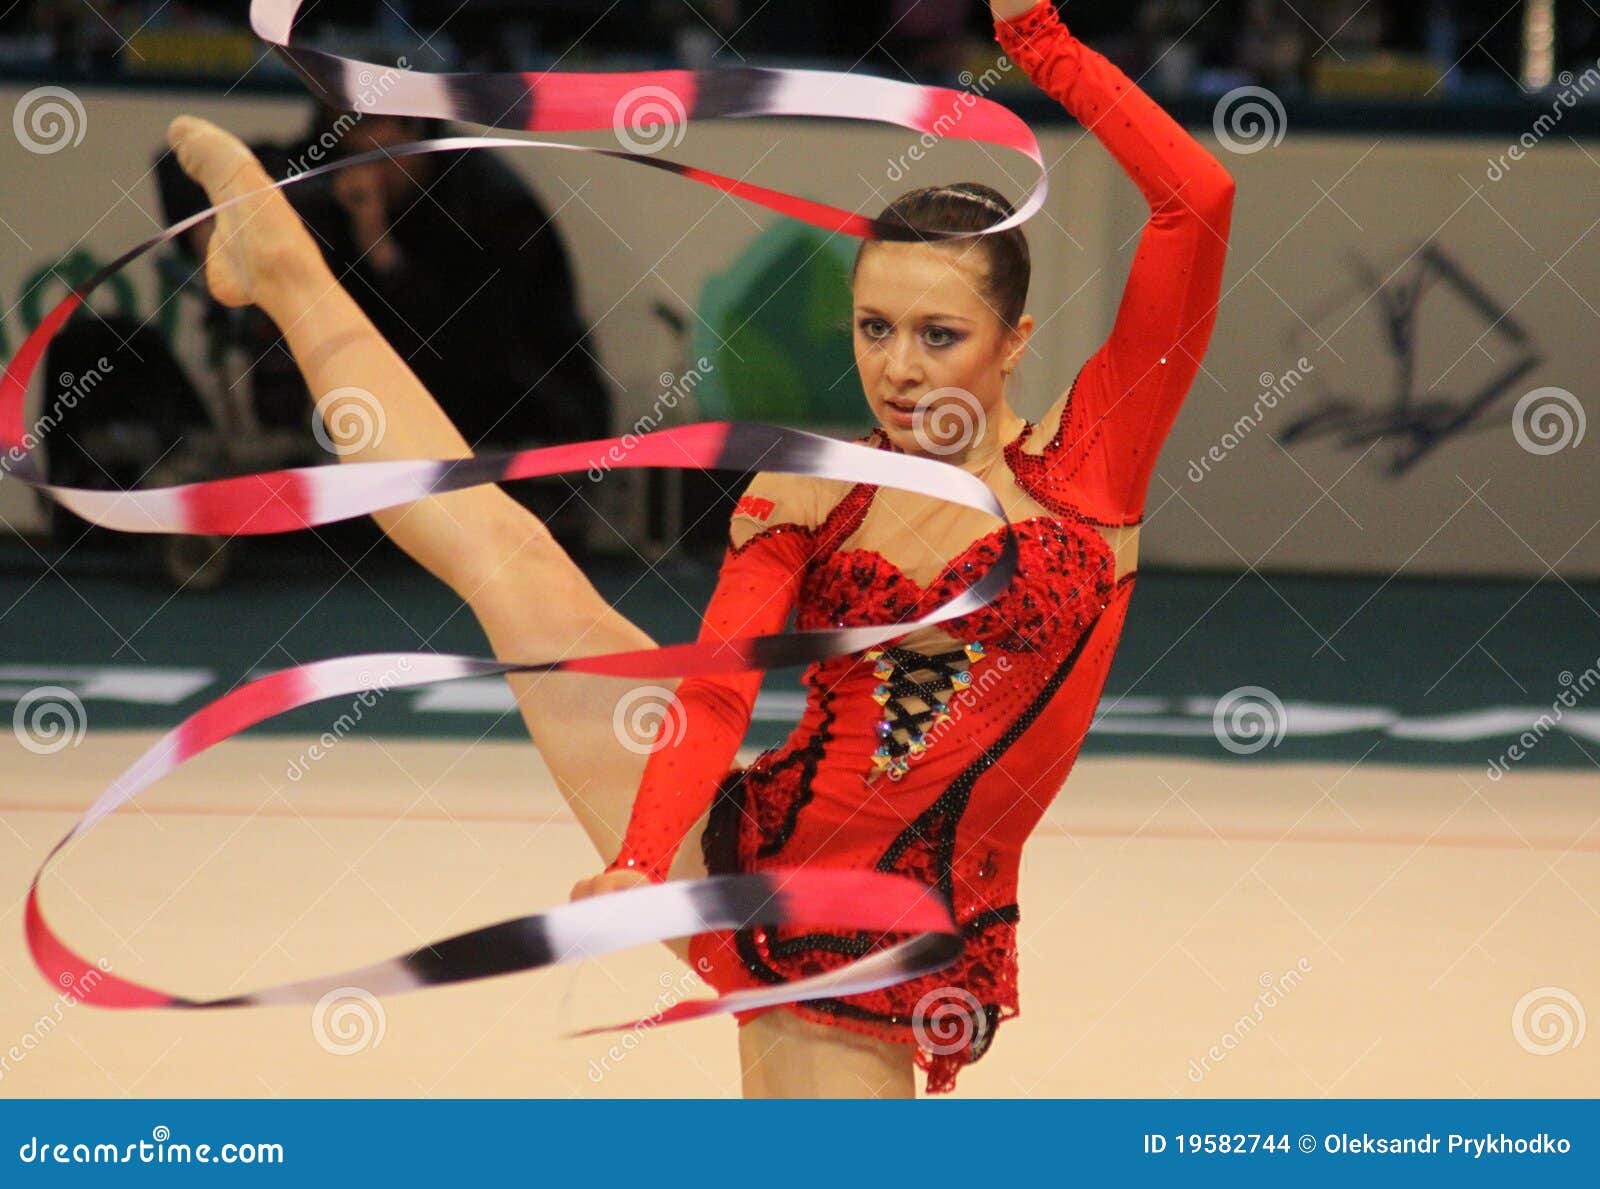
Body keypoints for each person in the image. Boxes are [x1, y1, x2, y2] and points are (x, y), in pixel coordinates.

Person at [165, 0, 1232, 1097]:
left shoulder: (1092, 465)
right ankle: (284, 261)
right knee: (500, 550)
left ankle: (281, 265)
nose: (900, 369)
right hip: (781, 890)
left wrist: (1042, 39)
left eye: (939, 335)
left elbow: (1197, 202)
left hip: (905, 912)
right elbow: (715, 691)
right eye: (874, 329)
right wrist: (640, 857)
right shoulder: (815, 490)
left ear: (1016, 341)